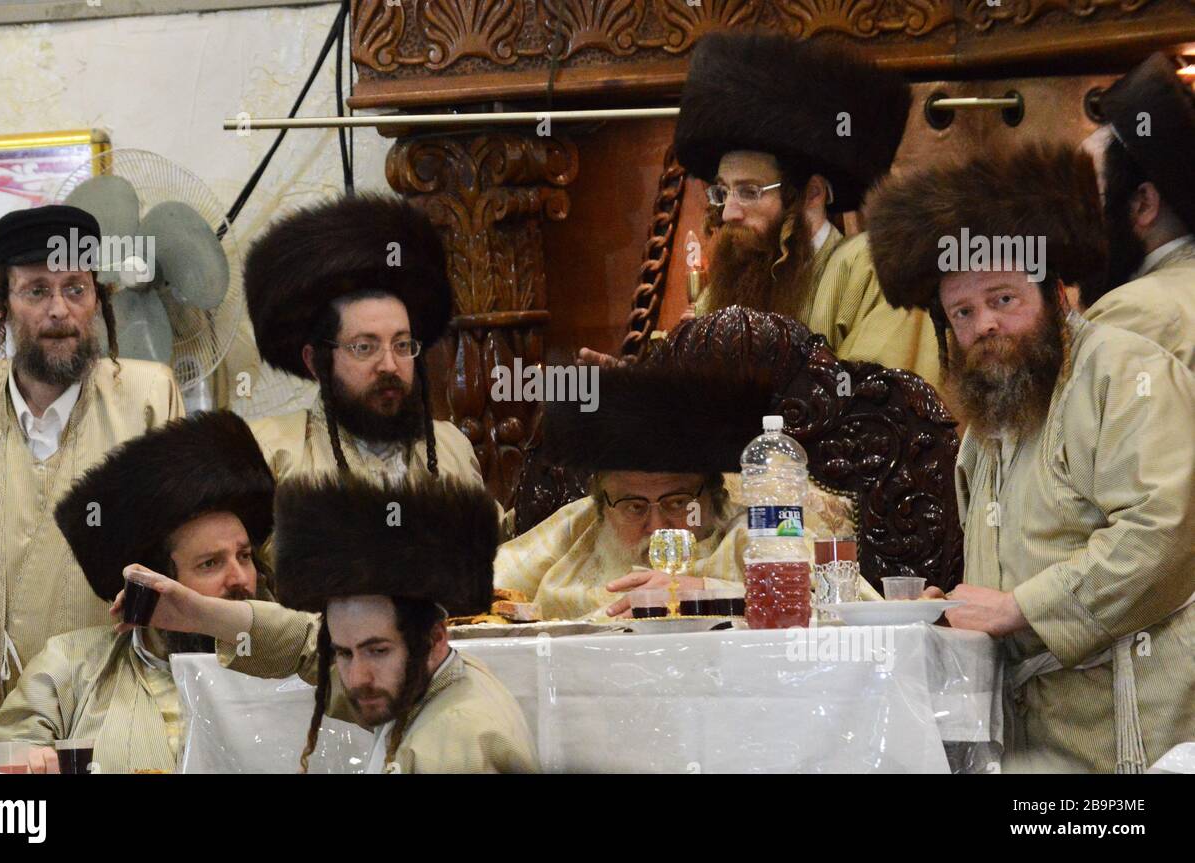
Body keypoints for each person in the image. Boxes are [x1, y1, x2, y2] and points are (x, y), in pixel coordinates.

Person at [865, 142, 1195, 773]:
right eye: (963, 311)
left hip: (1138, 722)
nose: (984, 324)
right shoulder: (987, 420)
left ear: (1055, 293)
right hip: (1032, 726)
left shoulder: (1128, 371)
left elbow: (1162, 533)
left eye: (1003, 299)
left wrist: (1016, 608)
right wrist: (952, 611)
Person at [0, 205, 183, 773]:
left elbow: (177, 582)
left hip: (108, 743)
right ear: (0, 303)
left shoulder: (150, 399)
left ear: (98, 299)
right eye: (36, 291)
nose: (59, 310)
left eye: (75, 288)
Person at [577, 32, 940, 389]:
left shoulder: (873, 267)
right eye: (722, 192)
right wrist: (633, 388)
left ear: (811, 193)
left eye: (749, 191)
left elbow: (880, 406)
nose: (729, 212)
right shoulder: (720, 293)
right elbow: (694, 409)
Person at [113, 475, 538, 774]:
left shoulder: (449, 750)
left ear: (435, 638)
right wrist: (195, 612)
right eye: (344, 653)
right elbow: (304, 645)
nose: (356, 678)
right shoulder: (430, 679)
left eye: (377, 651)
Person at [0, 411, 274, 774]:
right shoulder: (67, 670)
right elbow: (3, 769)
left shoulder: (289, 673)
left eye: (244, 556)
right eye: (210, 564)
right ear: (154, 584)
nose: (240, 578)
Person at [495, 361, 874, 620]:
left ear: (713, 496)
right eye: (633, 506)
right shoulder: (579, 526)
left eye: (677, 502)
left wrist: (705, 593)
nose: (657, 525)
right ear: (603, 505)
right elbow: (480, 589)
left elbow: (846, 609)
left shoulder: (758, 536)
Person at [242, 192, 486, 490]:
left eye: (402, 345)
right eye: (364, 347)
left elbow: (499, 537)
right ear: (316, 361)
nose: (389, 365)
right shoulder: (270, 455)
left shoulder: (451, 450)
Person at [1079, 53, 1195, 371]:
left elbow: (1071, 422)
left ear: (1143, 203)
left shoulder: (1133, 313)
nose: (1073, 221)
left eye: (1086, 196)